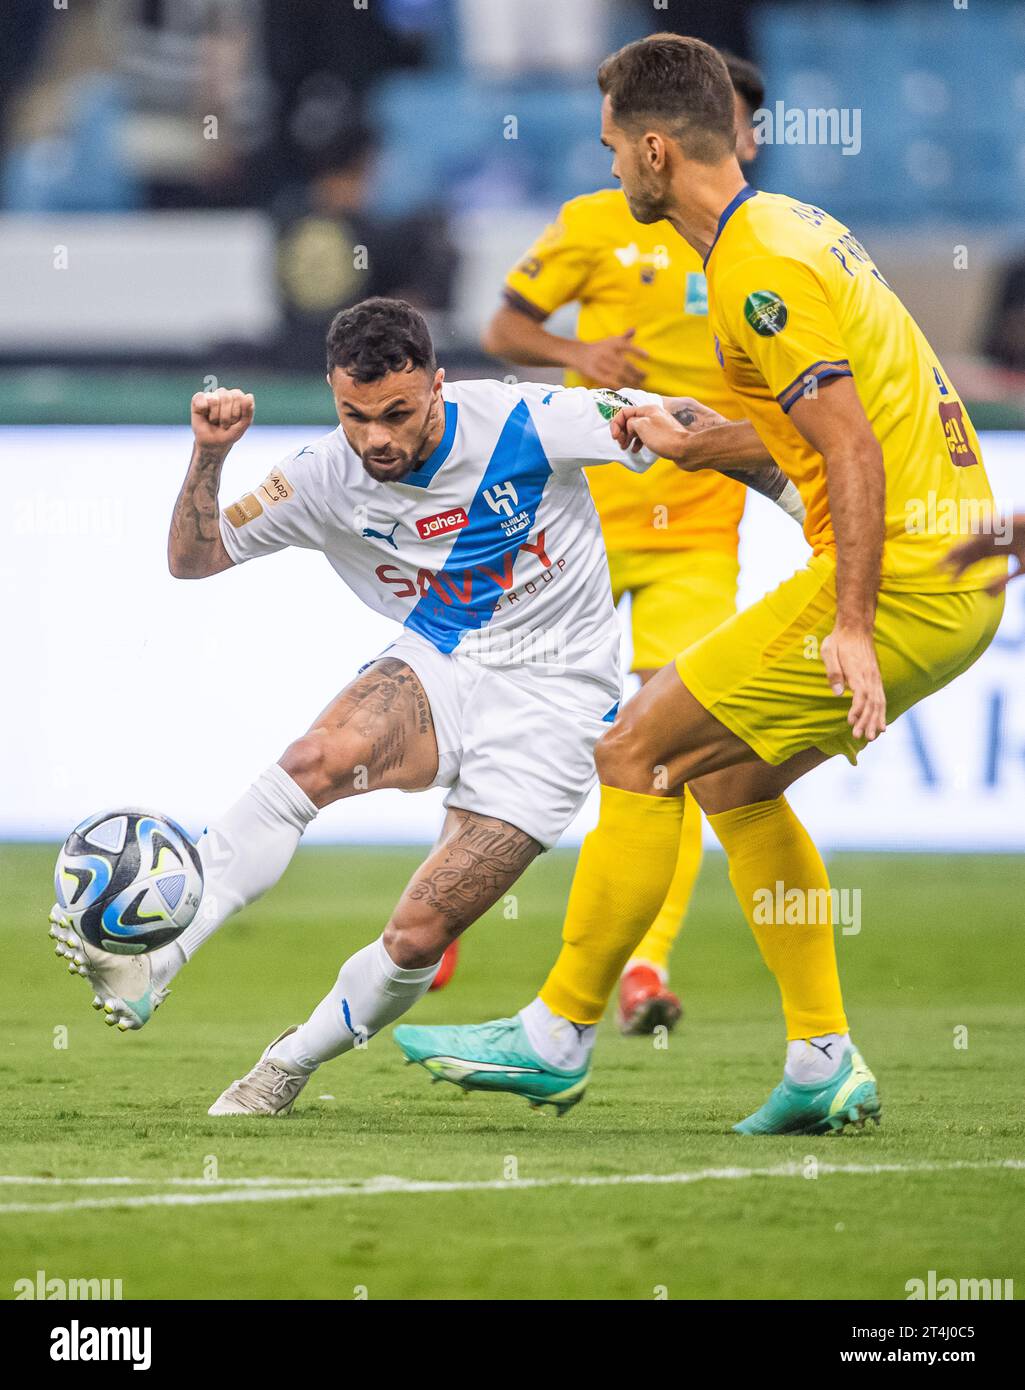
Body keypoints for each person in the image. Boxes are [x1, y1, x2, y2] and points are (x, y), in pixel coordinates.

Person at [393, 35, 1008, 1136]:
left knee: (633, 747)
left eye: (610, 147)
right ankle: (821, 1055)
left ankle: (554, 1031)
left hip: (905, 577)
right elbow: (808, 446)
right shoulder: (792, 228)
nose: (607, 165)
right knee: (730, 784)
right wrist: (696, 440)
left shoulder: (752, 266)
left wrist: (852, 626)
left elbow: (851, 448)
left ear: (655, 150)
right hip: (953, 573)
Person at [47, 296, 800, 1117]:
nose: (376, 437)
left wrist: (809, 507)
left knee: (416, 937)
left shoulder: (527, 419)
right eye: (355, 415)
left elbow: (692, 427)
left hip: (556, 701)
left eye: (397, 414)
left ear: (438, 387)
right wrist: (208, 454)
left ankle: (288, 1065)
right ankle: (157, 962)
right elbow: (192, 560)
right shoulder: (318, 474)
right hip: (440, 660)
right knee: (313, 760)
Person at [478, 52, 765, 1034]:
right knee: (510, 714)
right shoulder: (598, 221)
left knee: (666, 740)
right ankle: (442, 920)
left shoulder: (759, 248)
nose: (746, 142)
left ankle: (644, 965)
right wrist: (575, 354)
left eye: (751, 128)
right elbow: (503, 325)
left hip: (698, 531)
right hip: (581, 522)